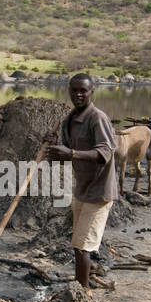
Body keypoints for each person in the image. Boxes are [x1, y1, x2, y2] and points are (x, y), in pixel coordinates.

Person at [45, 73, 118, 289]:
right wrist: (52, 148)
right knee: (78, 243)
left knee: (83, 246)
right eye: (74, 90)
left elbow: (105, 152)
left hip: (99, 191)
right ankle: (89, 276)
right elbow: (65, 157)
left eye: (82, 91)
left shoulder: (97, 118)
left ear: (91, 92)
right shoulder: (69, 120)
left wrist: (72, 153)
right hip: (82, 189)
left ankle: (81, 294)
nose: (78, 95)